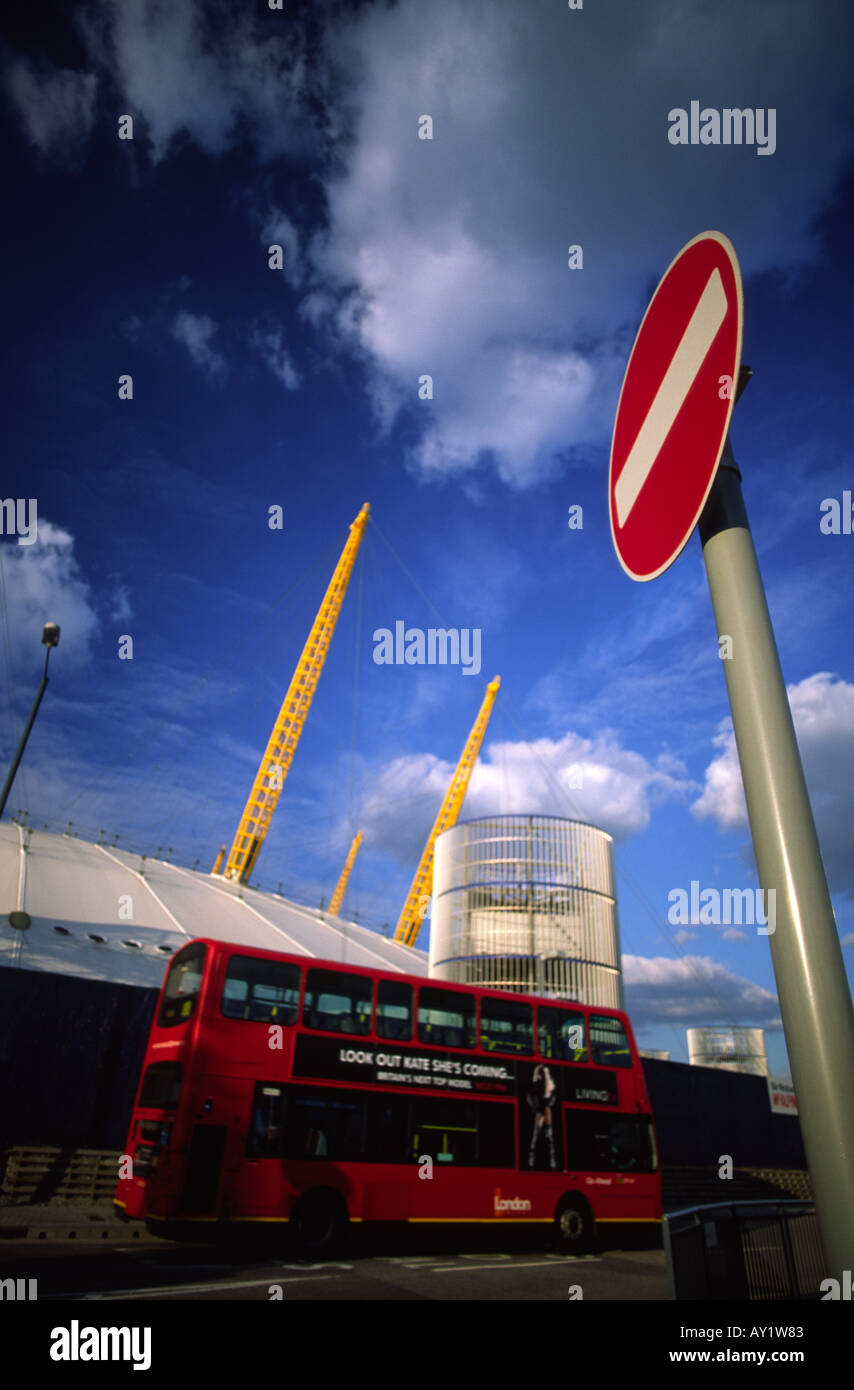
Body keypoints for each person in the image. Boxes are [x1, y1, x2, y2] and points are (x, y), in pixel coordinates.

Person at [527, 1064, 558, 1169]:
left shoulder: (549, 1084)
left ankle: (552, 1159)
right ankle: (532, 1158)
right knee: (536, 1135)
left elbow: (548, 1092)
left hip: (545, 1107)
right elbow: (534, 1079)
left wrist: (545, 1072)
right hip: (540, 1108)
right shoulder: (538, 1083)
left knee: (549, 1136)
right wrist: (538, 1069)